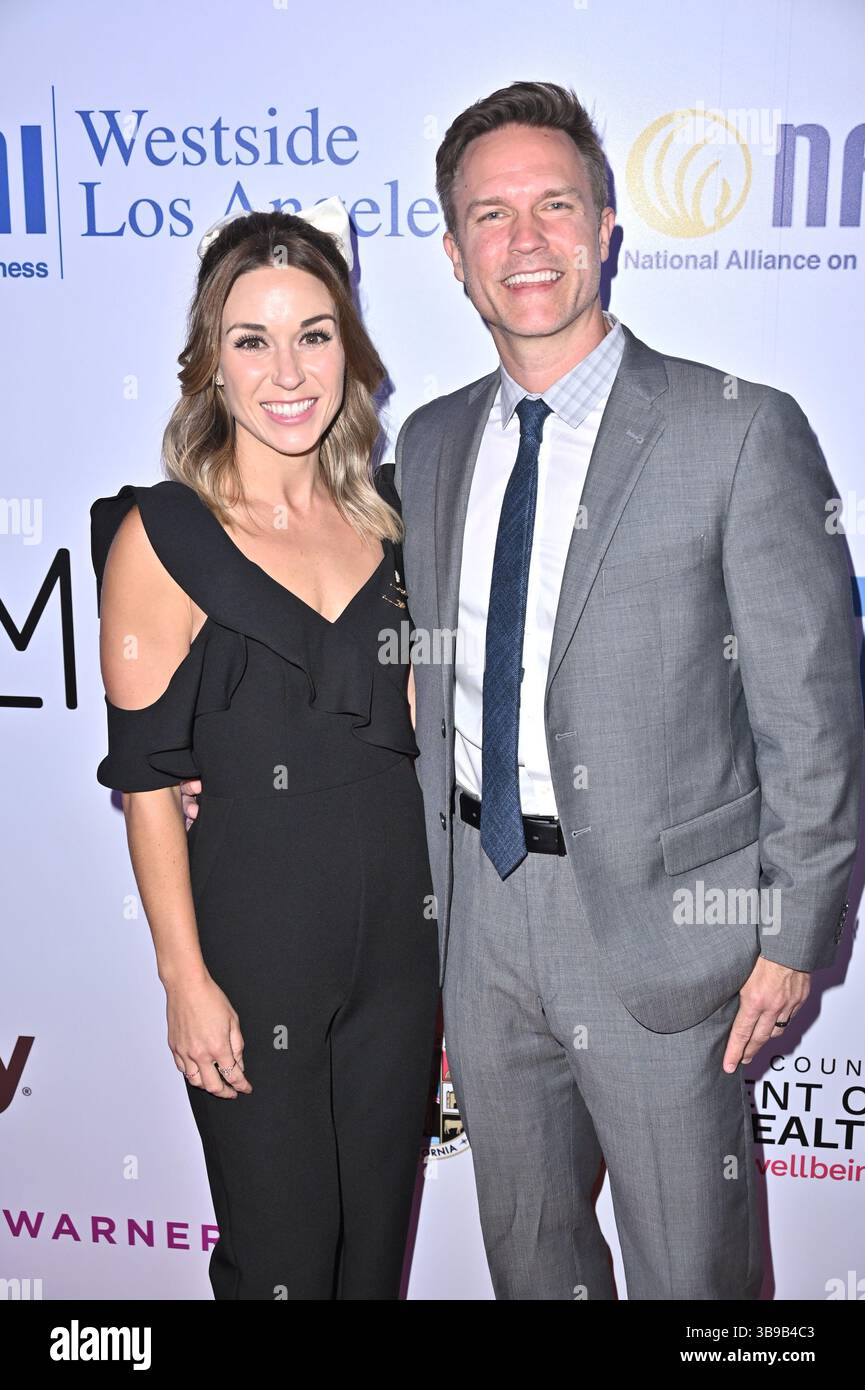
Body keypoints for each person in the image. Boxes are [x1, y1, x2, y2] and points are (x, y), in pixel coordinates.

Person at [387, 82, 862, 1299]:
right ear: (452, 254)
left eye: (555, 204)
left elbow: (813, 709)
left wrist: (794, 936)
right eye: (490, 216)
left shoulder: (738, 429)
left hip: (667, 930)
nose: (524, 240)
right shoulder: (431, 445)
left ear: (607, 226)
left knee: (695, 1278)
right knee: (530, 1262)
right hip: (483, 919)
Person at [91, 197, 440, 1301]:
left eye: (314, 334)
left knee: (369, 1264)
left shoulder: (393, 518)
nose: (287, 370)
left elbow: (426, 730)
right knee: (280, 1265)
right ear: (211, 363)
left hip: (401, 948)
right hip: (252, 951)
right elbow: (149, 788)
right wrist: (184, 979)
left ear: (351, 349)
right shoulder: (165, 532)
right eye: (253, 339)